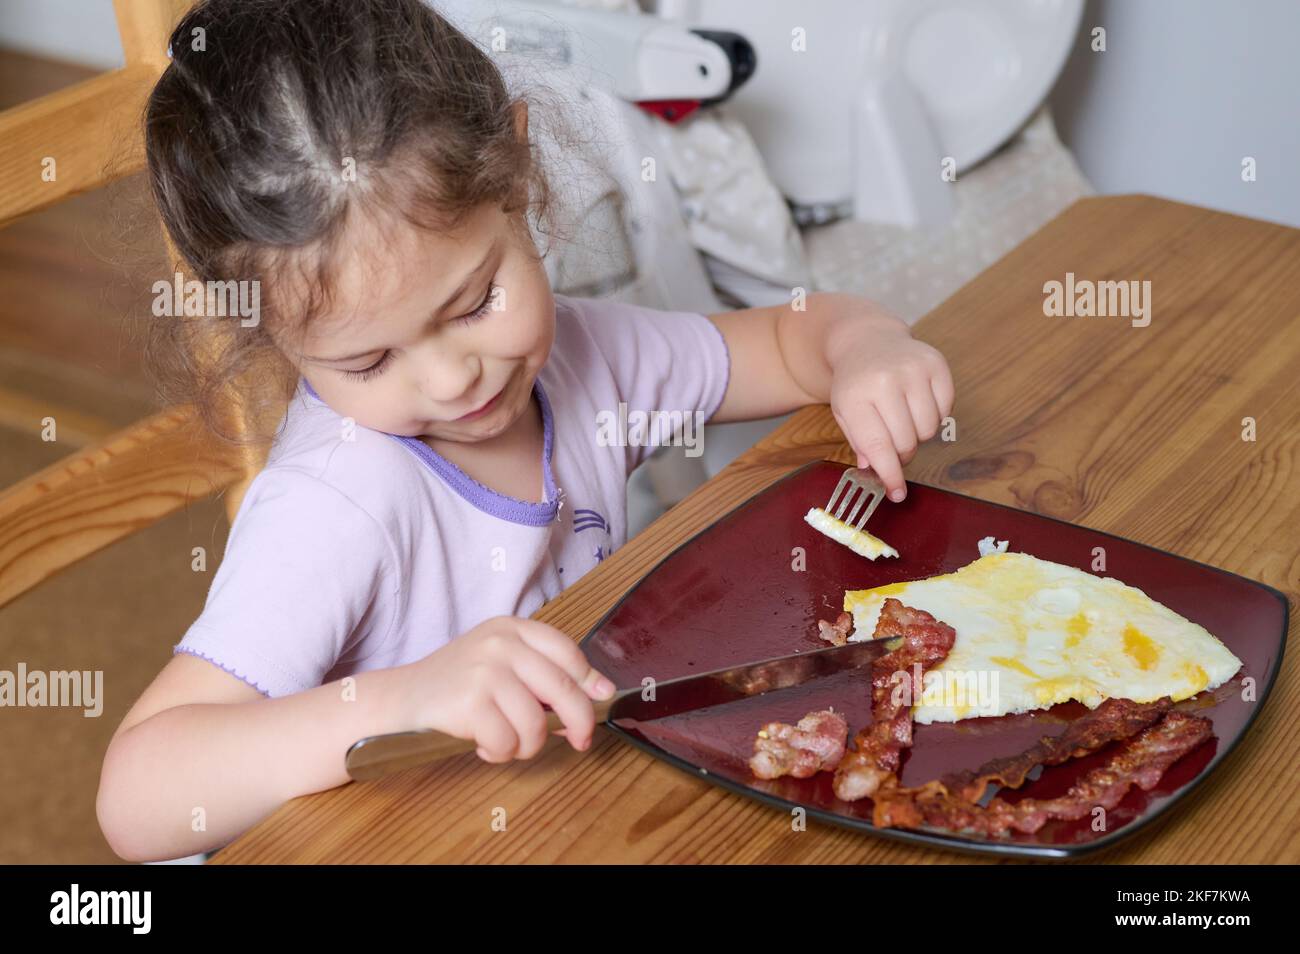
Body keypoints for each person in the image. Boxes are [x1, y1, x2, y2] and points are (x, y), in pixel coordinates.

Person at [97, 0, 954, 862]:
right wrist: (401, 701)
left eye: (474, 303)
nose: (452, 377)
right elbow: (139, 794)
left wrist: (866, 347)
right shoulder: (335, 502)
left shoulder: (584, 359)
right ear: (268, 332)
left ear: (516, 169)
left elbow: (790, 339)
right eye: (367, 363)